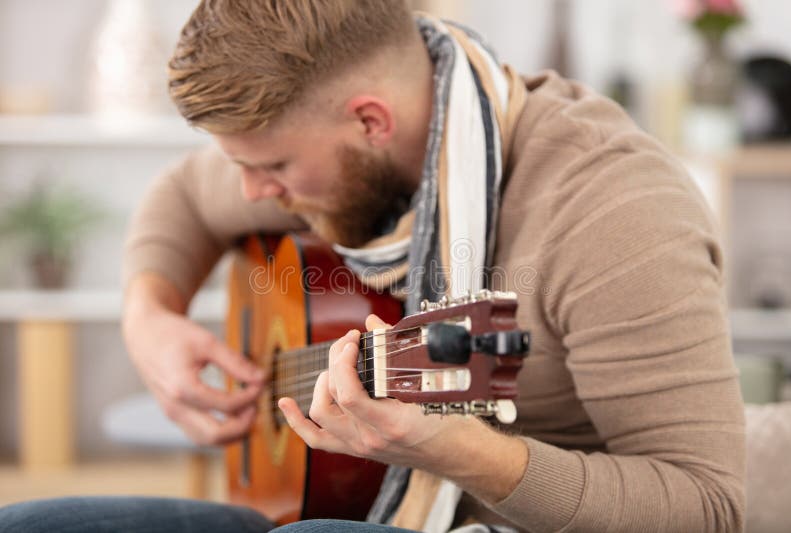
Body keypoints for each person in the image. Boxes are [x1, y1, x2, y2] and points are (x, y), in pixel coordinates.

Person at [0, 1, 745, 532]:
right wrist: (149, 319)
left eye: (274, 167)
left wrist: (467, 454)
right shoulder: (331, 145)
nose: (254, 193)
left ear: (369, 121)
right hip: (343, 504)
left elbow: (706, 508)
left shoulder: (612, 214)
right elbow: (182, 200)